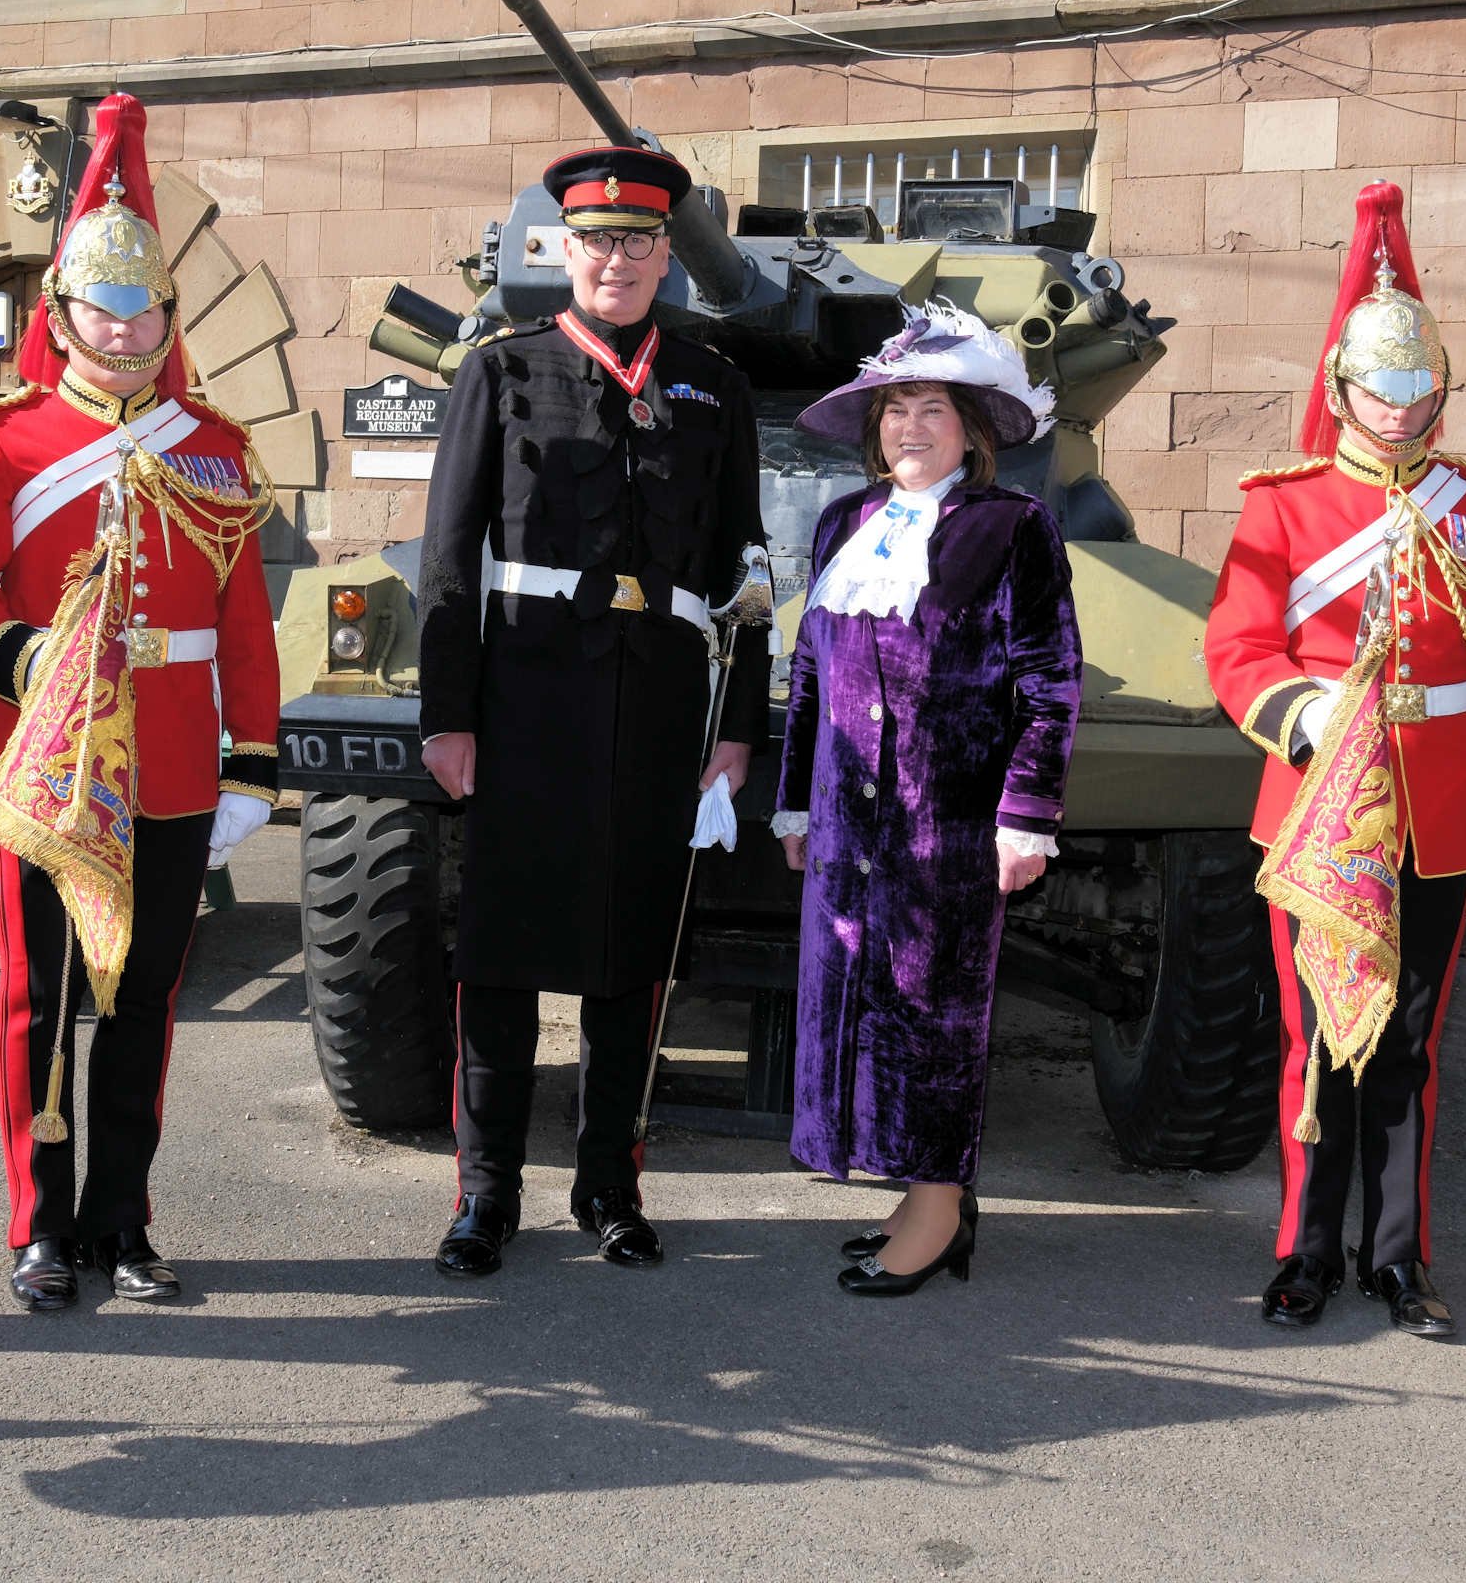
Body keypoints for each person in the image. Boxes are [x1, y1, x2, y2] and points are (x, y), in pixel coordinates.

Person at [0, 95, 280, 1313]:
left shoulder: (214, 447)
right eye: (103, 306)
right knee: (40, 1002)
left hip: (175, 764)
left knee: (140, 1004)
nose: (126, 328)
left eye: (145, 308)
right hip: (45, 767)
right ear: (59, 315)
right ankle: (39, 1226)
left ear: (168, 316)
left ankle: (122, 1218)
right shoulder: (4, 440)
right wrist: (33, 667)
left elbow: (239, 616)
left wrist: (253, 763)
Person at [412, 143, 767, 1279]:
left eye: (640, 241)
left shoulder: (714, 384)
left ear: (667, 255)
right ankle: (486, 1194)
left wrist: (737, 722)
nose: (617, 259)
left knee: (631, 960)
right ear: (565, 249)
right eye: (598, 240)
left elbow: (744, 567)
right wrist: (447, 714)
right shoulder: (502, 371)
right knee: (504, 959)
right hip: (525, 695)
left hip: (658, 701)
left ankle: (609, 1183)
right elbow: (449, 558)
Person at [1203, 181, 1466, 1340]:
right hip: (1316, 811)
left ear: (1440, 386)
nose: (1397, 407)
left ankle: (1398, 1257)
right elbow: (1238, 645)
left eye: (1416, 385)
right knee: (1313, 1042)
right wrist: (1300, 716)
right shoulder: (1283, 507)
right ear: (1338, 387)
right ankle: (1303, 1250)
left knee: (1408, 1045)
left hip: (1438, 817)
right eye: (1377, 385)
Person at [772, 304, 1081, 1295]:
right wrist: (795, 806)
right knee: (862, 1005)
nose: (910, 426)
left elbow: (1051, 682)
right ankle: (916, 1190)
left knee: (937, 1013)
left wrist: (1025, 814)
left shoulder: (1012, 527)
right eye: (896, 407)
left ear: (972, 429)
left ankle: (942, 1206)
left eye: (932, 407)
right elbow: (808, 682)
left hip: (948, 821)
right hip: (847, 823)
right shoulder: (844, 523)